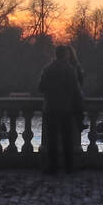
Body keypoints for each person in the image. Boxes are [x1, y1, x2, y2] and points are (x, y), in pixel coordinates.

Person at [39, 45, 82, 175]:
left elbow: (41, 87)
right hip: (65, 107)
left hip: (50, 106)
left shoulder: (47, 69)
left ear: (56, 54)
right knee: (67, 138)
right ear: (65, 55)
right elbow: (76, 90)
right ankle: (69, 166)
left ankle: (52, 166)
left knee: (51, 139)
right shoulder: (70, 70)